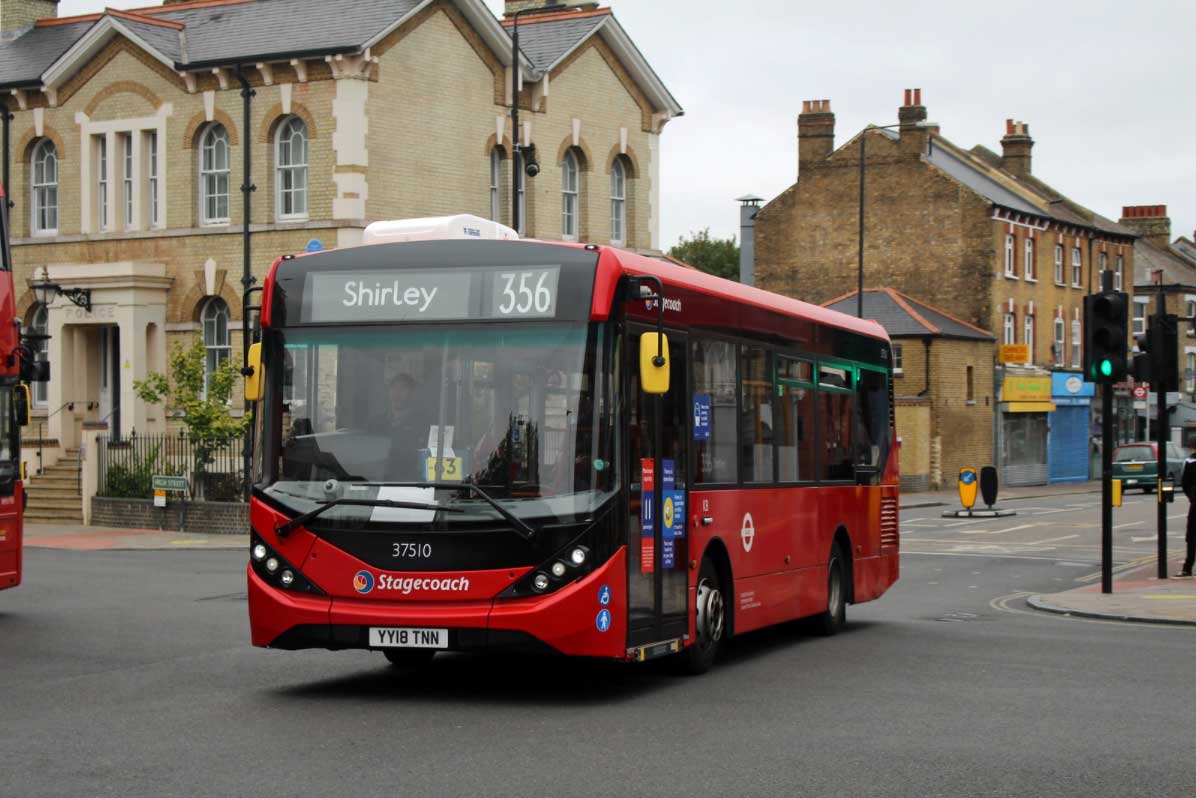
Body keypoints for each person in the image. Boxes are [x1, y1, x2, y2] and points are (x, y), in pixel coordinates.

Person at [1181, 435, 1196, 577]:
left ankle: (1187, 568)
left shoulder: (1190, 461)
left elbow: (1185, 483)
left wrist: (1191, 497)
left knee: (1191, 536)